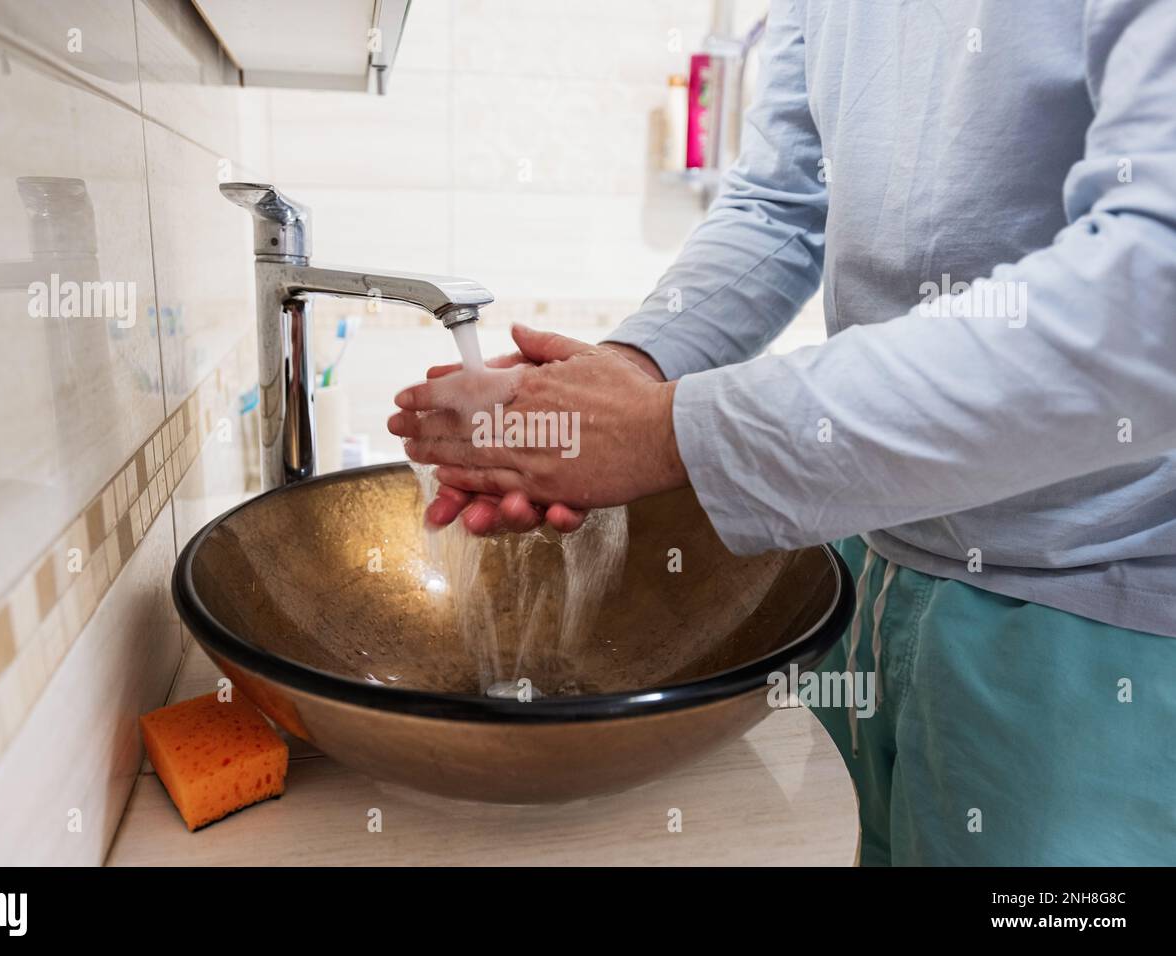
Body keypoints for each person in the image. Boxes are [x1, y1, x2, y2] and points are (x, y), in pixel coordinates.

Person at [388, 0, 1176, 865]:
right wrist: (632, 368)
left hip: (1099, 626)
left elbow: (1149, 298)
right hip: (876, 568)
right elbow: (782, 202)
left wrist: (663, 435)